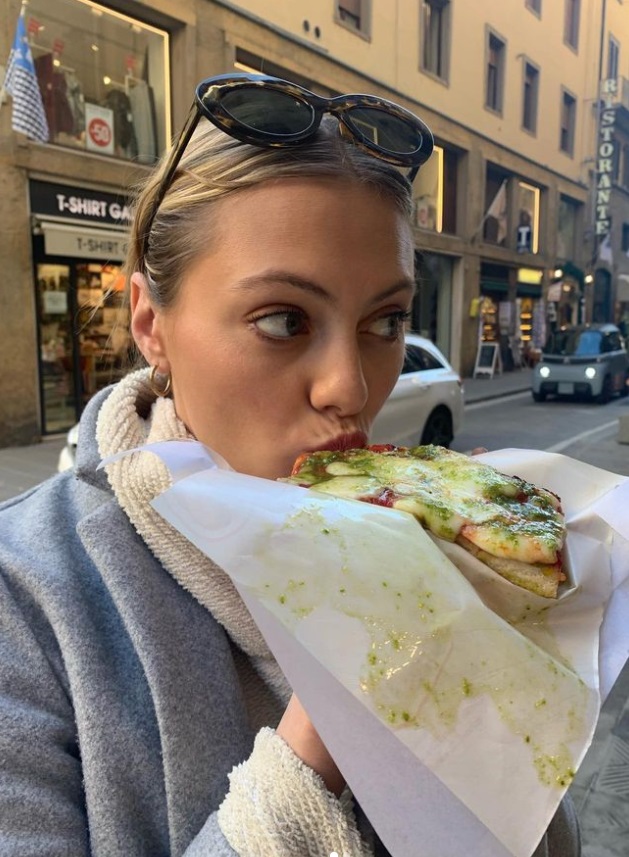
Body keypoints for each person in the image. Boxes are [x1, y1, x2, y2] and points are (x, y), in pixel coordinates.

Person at [0, 72, 580, 856]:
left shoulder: (422, 546)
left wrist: (499, 651)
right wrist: (324, 734)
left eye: (385, 319)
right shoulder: (26, 596)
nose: (351, 387)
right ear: (150, 324)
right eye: (283, 319)